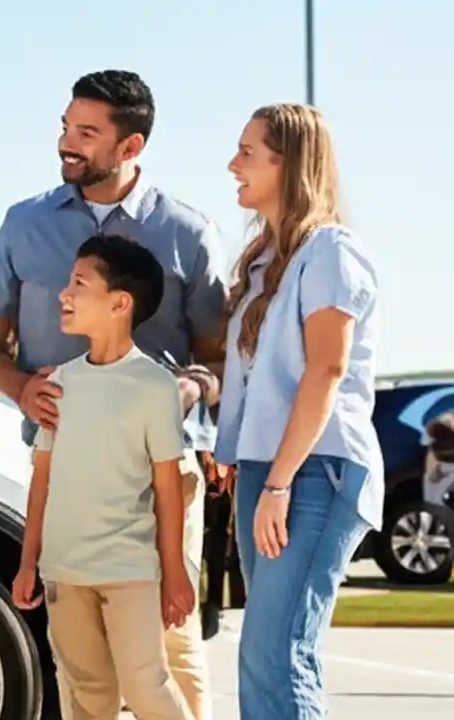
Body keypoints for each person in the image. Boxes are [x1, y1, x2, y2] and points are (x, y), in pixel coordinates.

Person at [0, 69, 226, 719]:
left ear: (130, 147)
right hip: (62, 474)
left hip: (162, 470)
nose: (67, 141)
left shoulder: (188, 233)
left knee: (168, 651)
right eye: (65, 125)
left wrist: (190, 390)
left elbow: (221, 357)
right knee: (81, 668)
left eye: (86, 132)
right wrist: (20, 386)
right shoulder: (23, 225)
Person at [213, 102, 384, 719]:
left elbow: (326, 371)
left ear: (290, 165)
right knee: (265, 658)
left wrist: (280, 482)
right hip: (269, 471)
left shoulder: (333, 252)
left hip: (315, 470)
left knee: (278, 655)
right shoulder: (263, 264)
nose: (232, 164)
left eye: (248, 152)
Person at [10, 234, 196, 720]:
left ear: (120, 303)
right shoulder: (58, 384)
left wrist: (174, 572)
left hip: (130, 571)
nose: (63, 294)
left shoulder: (155, 386)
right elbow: (42, 482)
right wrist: (30, 561)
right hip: (64, 572)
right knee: (88, 696)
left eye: (78, 283)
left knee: (147, 687)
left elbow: (167, 486)